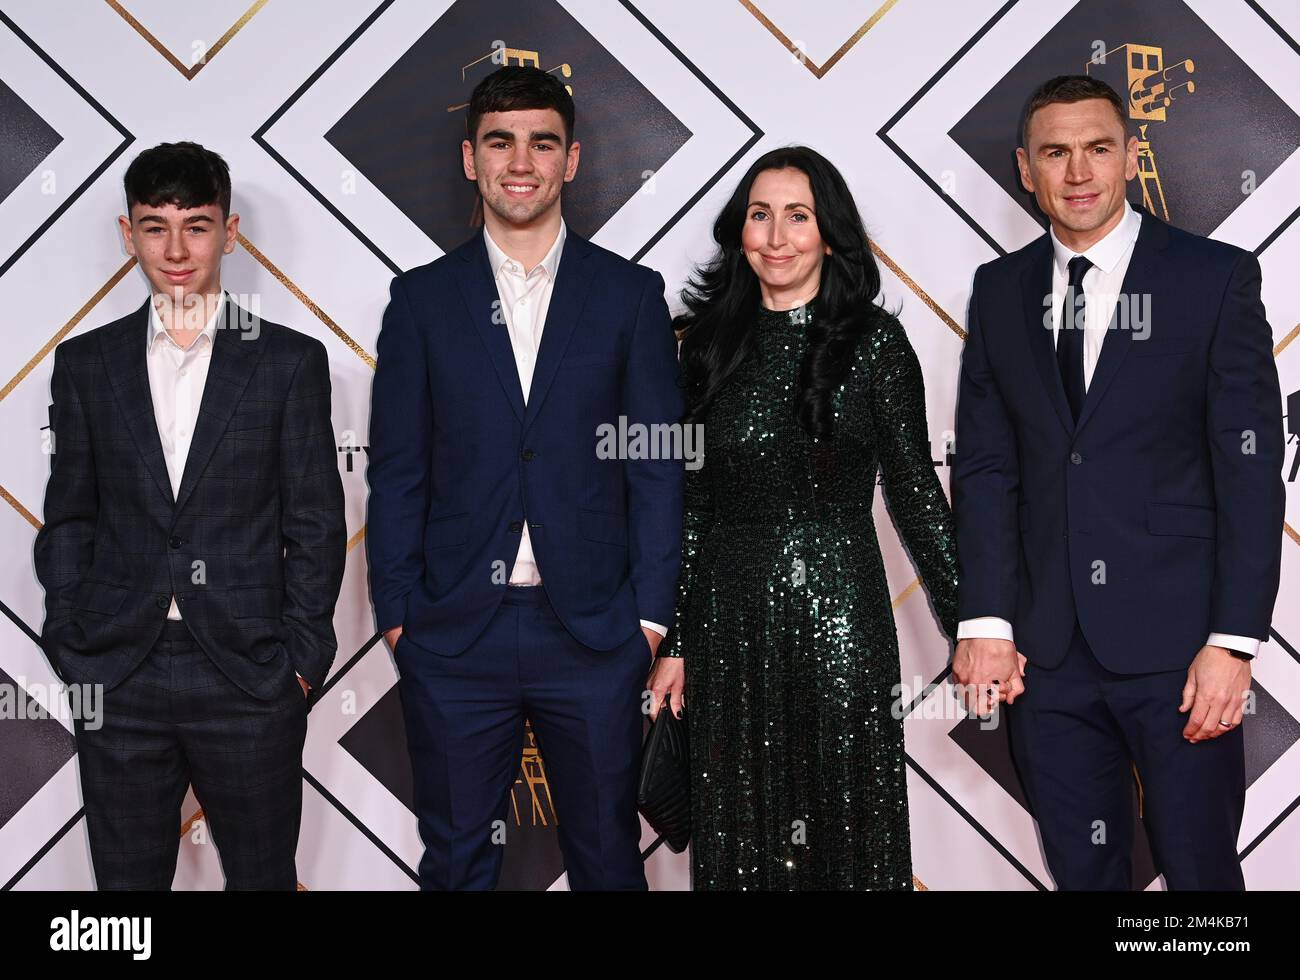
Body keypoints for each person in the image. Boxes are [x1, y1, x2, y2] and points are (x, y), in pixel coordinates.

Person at [951, 75, 1284, 890]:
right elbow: (989, 466)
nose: (1078, 173)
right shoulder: (1000, 292)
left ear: (1130, 156)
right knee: (1082, 874)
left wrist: (1232, 641)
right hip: (1045, 654)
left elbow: (1249, 471)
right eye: (1055, 153)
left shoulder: (1213, 279)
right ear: (1025, 169)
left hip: (1180, 653)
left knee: (1200, 877)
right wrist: (987, 619)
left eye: (1098, 148)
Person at [366, 66, 683, 890]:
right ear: (470, 158)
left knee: (608, 861)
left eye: (542, 142)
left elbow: (655, 464)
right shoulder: (421, 302)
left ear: (571, 160)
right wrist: (401, 617)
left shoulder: (631, 297)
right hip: (455, 634)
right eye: (499, 141)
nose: (520, 161)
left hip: (595, 633)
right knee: (459, 861)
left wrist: (648, 621)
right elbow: (399, 472)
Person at [34, 141, 346, 889]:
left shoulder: (287, 362)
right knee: (126, 894)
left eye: (197, 226)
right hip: (120, 670)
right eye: (154, 226)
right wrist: (74, 645)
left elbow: (315, 523)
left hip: (249, 674)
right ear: (127, 232)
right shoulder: (87, 364)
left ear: (230, 233)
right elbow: (71, 517)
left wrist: (298, 663)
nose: (176, 249)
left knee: (263, 878)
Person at [652, 146, 959, 890]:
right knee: (738, 830)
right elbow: (692, 511)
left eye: (799, 216)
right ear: (740, 230)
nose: (777, 236)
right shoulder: (702, 347)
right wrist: (680, 641)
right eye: (761, 216)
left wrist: (974, 625)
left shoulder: (876, 345)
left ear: (830, 234)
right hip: (730, 624)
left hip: (843, 618)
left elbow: (915, 491)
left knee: (847, 828)